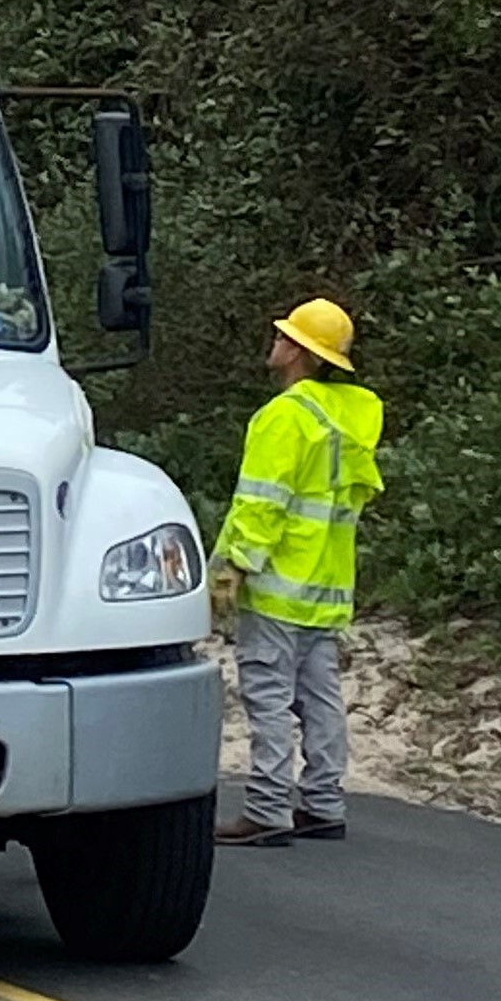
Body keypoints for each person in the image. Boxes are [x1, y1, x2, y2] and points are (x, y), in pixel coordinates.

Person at [210, 297, 384, 848]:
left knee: (268, 696)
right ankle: (324, 803)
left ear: (298, 353)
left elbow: (263, 503)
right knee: (320, 699)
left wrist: (233, 567)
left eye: (285, 337)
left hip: (277, 585)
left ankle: (266, 809)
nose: (276, 342)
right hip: (325, 587)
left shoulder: (285, 417)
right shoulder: (347, 419)